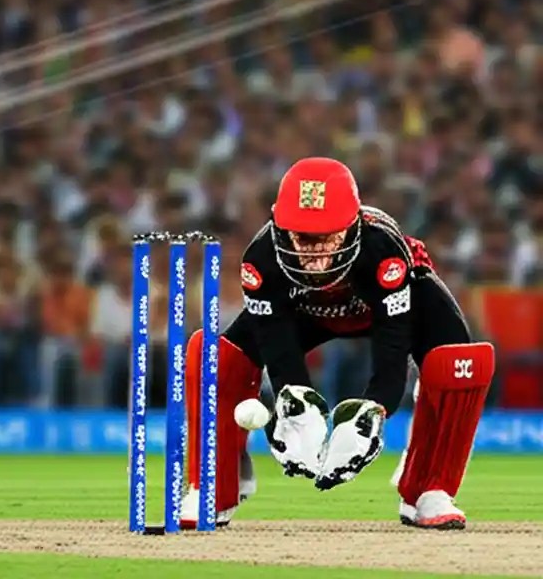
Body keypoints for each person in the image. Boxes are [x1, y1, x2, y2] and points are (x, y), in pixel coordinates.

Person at [179, 157, 493, 530]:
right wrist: (297, 407)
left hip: (390, 301)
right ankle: (214, 484)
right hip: (305, 312)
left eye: (326, 237)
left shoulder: (383, 251)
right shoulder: (262, 261)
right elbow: (277, 346)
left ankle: (430, 491)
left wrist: (373, 410)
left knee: (461, 362)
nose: (314, 256)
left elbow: (393, 345)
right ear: (279, 223)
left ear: (352, 226)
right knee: (212, 357)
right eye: (302, 237)